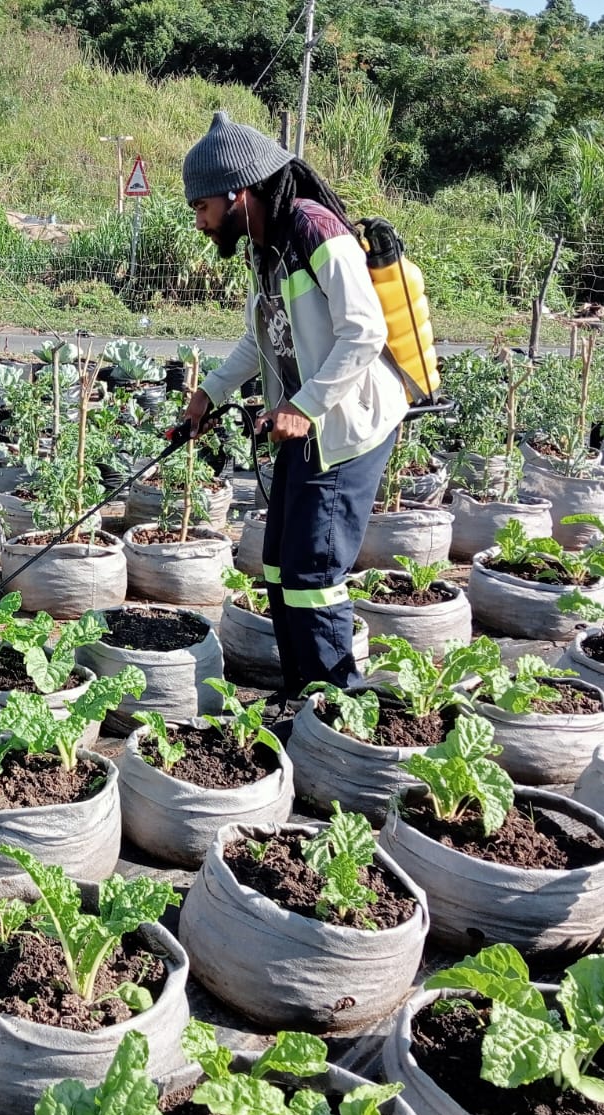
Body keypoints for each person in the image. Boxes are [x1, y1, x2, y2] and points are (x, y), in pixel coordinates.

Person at [181, 111, 408, 704]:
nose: (201, 223)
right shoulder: (266, 245)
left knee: (313, 573)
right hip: (305, 427)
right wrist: (211, 392)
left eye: (202, 208)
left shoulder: (316, 231)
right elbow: (262, 338)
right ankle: (300, 693)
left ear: (237, 193)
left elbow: (364, 332)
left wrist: (304, 406)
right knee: (279, 564)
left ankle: (337, 704)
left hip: (344, 426)